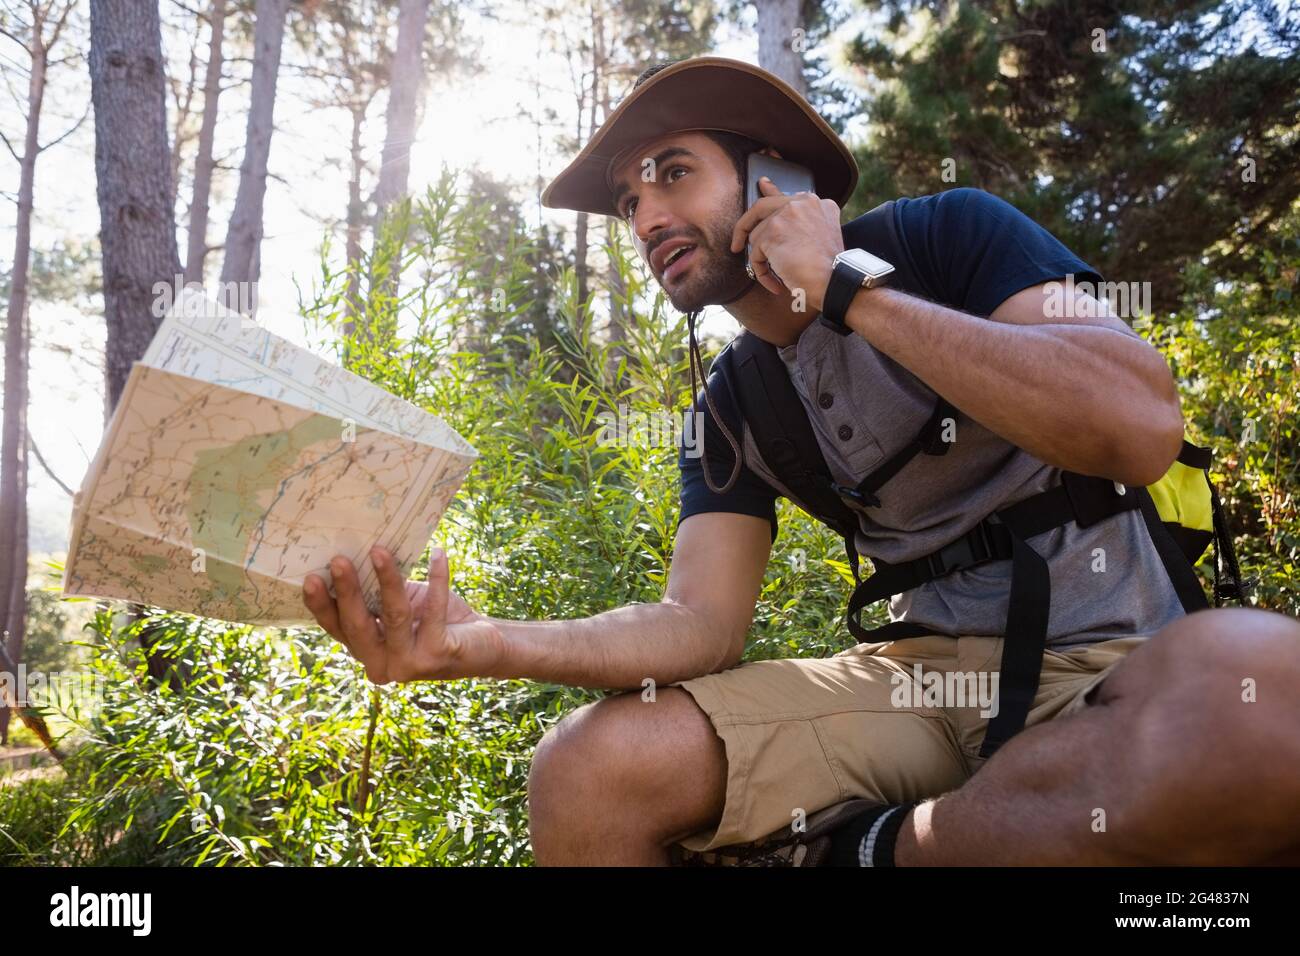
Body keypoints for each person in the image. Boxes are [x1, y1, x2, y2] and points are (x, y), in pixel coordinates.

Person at [302, 56, 1300, 866]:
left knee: (1268, 694)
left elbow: (1136, 417)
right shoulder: (730, 406)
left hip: (1112, 663)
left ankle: (874, 852)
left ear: (775, 178)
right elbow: (697, 622)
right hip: (914, 685)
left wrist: (846, 289)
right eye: (627, 198)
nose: (645, 217)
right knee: (588, 768)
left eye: (673, 172)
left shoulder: (949, 235)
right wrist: (486, 642)